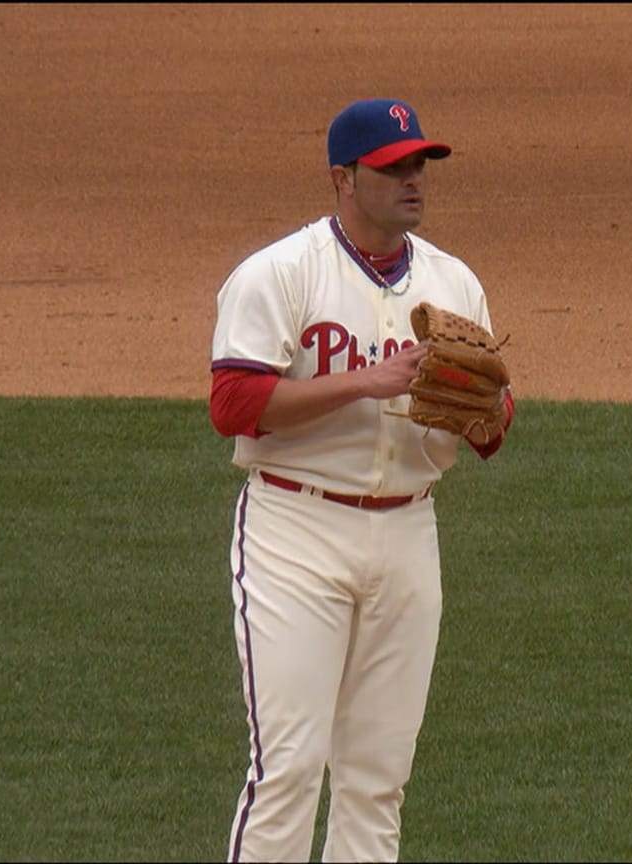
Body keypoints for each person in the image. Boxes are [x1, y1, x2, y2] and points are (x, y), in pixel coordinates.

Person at [207, 97, 516, 862]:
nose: (412, 179)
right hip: (295, 534)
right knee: (288, 770)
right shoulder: (278, 274)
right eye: (392, 167)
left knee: (378, 779)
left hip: (408, 532)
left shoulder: (454, 283)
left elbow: (492, 429)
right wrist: (367, 383)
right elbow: (234, 404)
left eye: (419, 164)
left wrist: (482, 411)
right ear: (343, 178)